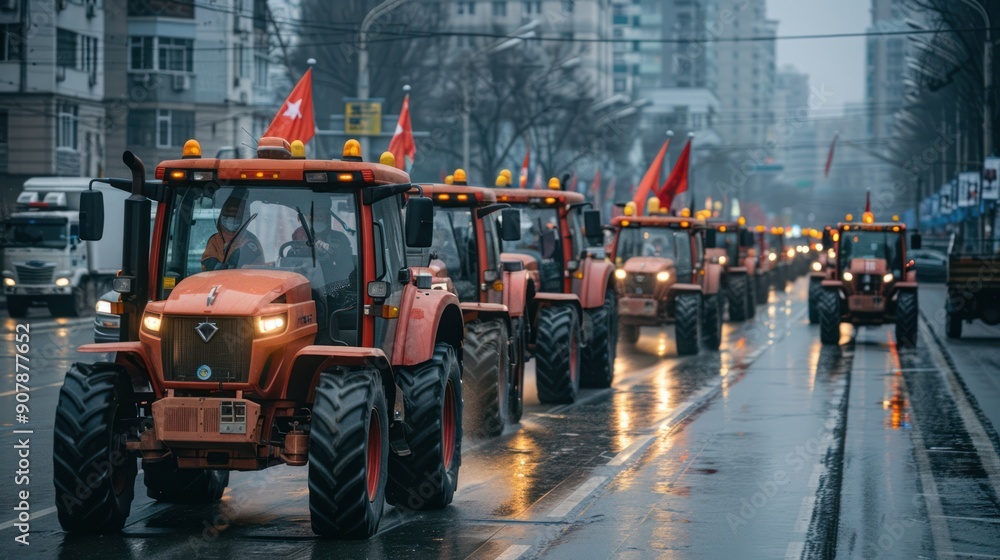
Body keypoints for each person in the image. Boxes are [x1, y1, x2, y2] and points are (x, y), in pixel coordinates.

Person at [201, 193, 264, 270]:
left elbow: (242, 258)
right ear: (221, 216)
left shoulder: (250, 241)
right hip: (217, 280)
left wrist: (228, 265)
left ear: (244, 218)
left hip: (245, 281)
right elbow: (207, 261)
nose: (231, 219)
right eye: (227, 215)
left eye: (235, 216)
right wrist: (215, 266)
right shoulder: (215, 239)